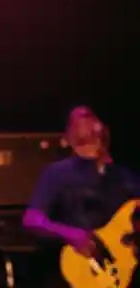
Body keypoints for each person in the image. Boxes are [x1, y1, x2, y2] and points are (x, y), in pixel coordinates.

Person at [24, 106, 140, 287]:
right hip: (78, 267)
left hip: (124, 269)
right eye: (77, 118)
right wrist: (70, 234)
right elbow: (32, 219)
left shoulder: (124, 176)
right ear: (68, 136)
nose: (85, 118)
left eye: (90, 115)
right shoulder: (57, 173)